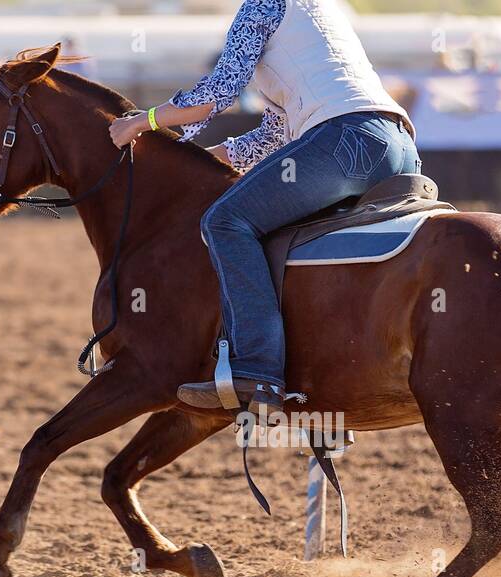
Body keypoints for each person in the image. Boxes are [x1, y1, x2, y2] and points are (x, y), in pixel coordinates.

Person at [108, 0, 420, 412]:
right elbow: (274, 135)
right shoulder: (322, 12)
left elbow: (218, 92)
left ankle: (258, 370)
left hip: (343, 141)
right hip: (398, 147)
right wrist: (200, 162)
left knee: (226, 221)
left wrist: (140, 121)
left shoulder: (262, 4)